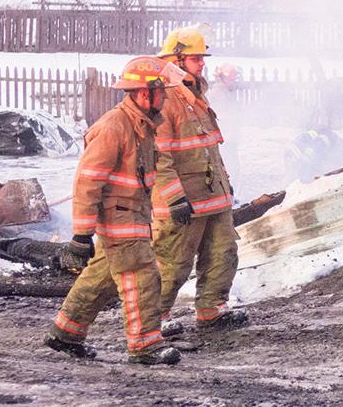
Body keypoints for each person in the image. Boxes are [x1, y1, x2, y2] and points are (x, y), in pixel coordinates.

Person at [44, 56, 180, 365]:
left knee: (102, 276)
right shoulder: (113, 127)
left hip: (133, 216)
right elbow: (87, 183)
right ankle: (145, 345)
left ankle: (66, 333)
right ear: (145, 93)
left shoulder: (141, 125)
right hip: (120, 219)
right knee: (141, 276)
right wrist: (81, 235)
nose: (166, 97)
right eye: (162, 92)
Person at [151, 26, 247, 336]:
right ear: (176, 59)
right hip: (183, 201)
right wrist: (173, 196)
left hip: (212, 194)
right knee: (173, 261)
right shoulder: (163, 98)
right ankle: (154, 318)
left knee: (223, 253)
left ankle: (211, 309)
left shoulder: (196, 92)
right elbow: (157, 154)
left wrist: (225, 179)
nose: (202, 63)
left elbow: (208, 145)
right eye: (195, 58)